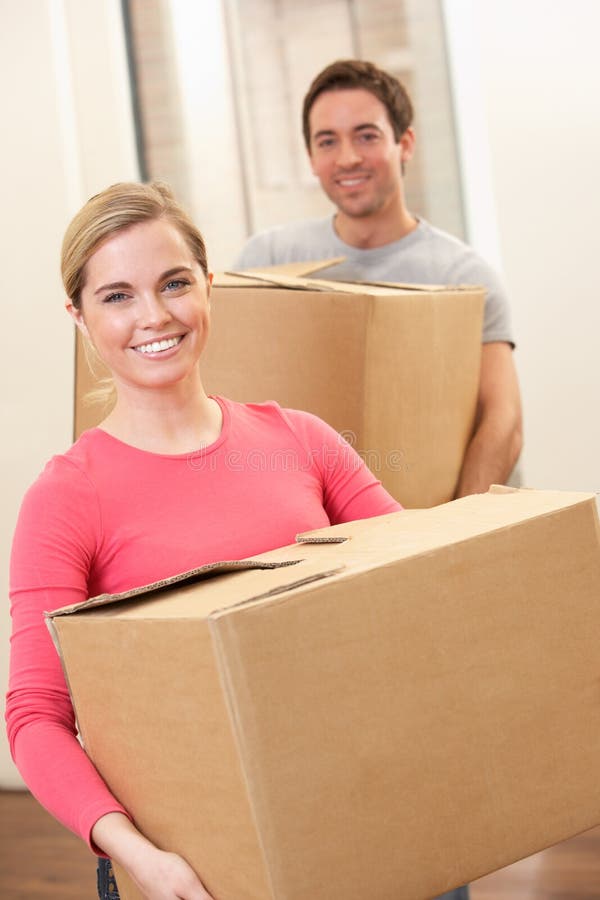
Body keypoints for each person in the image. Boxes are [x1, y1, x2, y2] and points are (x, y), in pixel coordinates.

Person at [5, 181, 403, 900]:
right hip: (188, 862)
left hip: (355, 813)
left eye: (174, 283)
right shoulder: (65, 499)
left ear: (209, 287)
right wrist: (138, 856)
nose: (154, 316)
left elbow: (415, 584)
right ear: (79, 318)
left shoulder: (301, 441)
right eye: (117, 295)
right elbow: (36, 717)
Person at [234, 59, 523, 499]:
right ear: (311, 157)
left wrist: (461, 530)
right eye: (327, 141)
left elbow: (502, 418)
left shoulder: (462, 277)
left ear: (404, 143)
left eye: (366, 136)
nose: (347, 158)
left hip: (429, 510)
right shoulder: (268, 260)